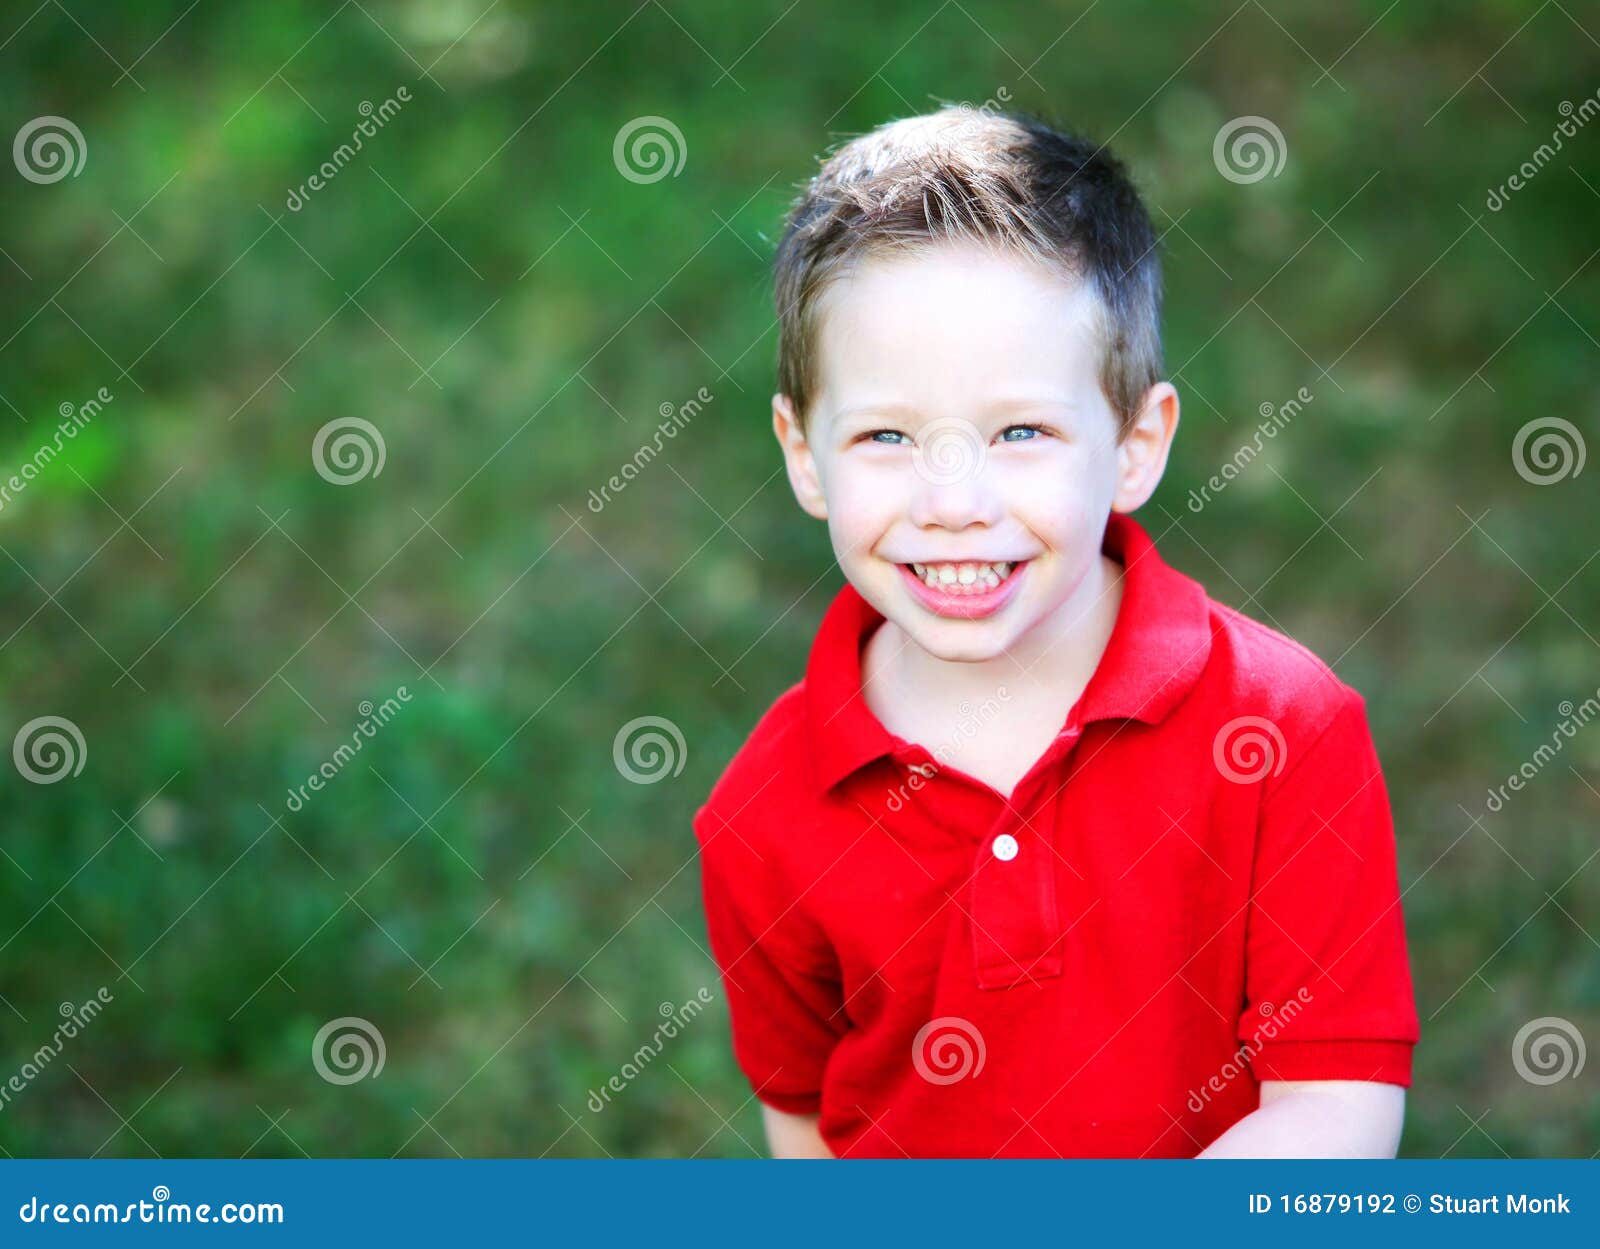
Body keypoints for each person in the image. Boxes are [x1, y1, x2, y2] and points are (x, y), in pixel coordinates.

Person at [693, 107, 1419, 1158]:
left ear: (1134, 442)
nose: (953, 502)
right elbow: (806, 1125)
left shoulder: (1279, 727)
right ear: (804, 454)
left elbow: (1333, 1101)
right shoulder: (766, 809)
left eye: (1019, 431)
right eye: (887, 435)